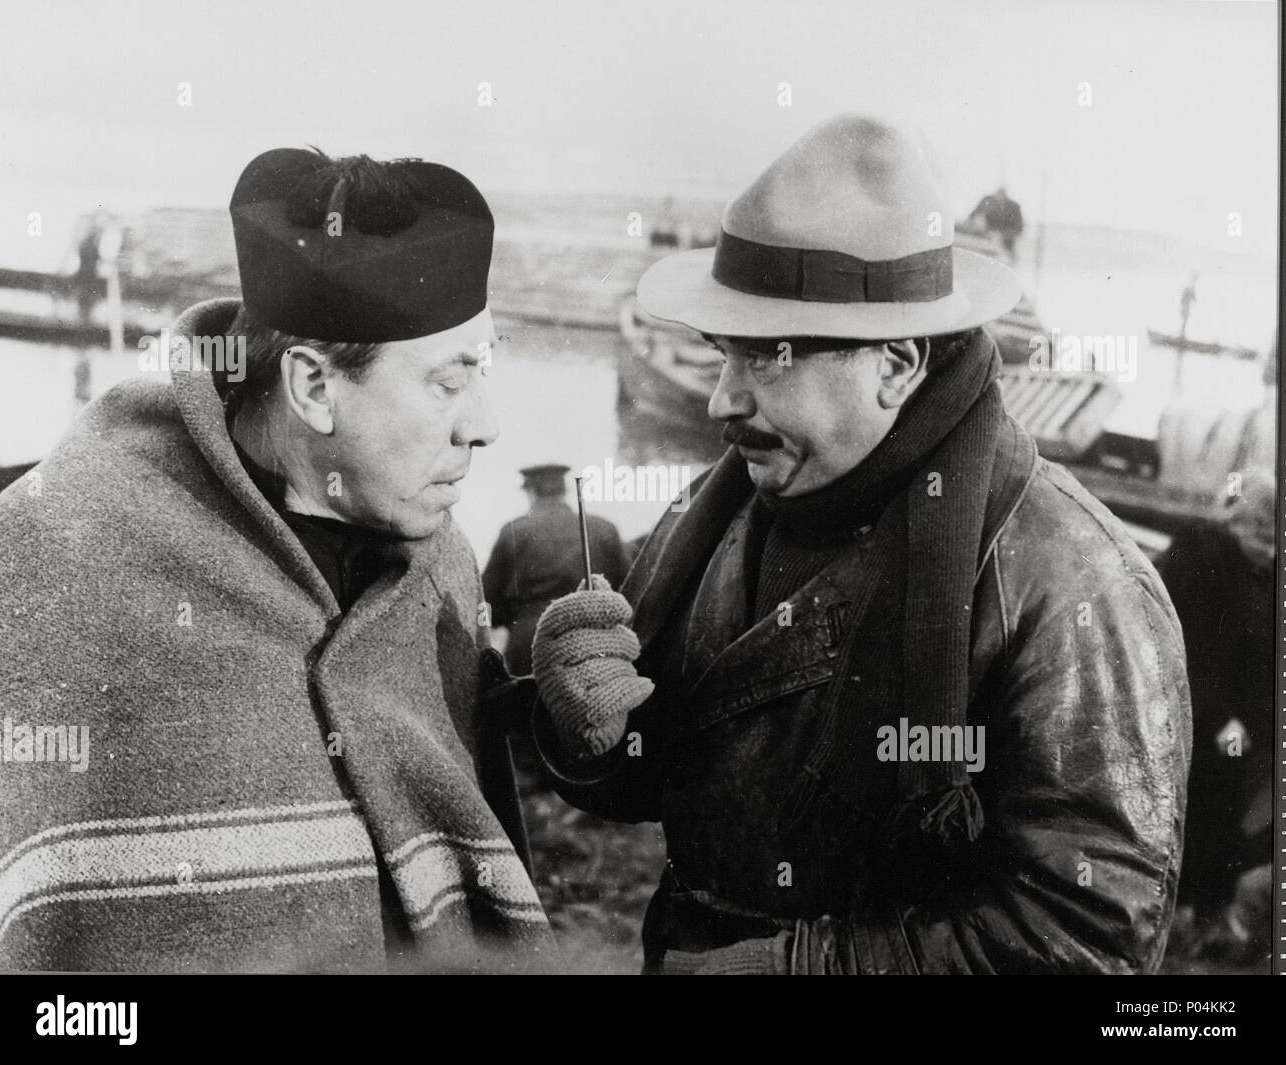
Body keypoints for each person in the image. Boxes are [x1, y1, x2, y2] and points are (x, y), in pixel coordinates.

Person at [528, 114, 1192, 974]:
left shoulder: (1076, 586)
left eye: (768, 355)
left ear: (897, 363)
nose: (719, 400)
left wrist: (797, 969)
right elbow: (665, 778)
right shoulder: (715, 511)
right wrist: (584, 719)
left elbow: (1089, 935)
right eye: (723, 352)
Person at [0, 148, 553, 973]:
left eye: (486, 366)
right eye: (447, 382)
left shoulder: (440, 559)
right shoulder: (55, 553)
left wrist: (549, 710)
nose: (487, 424)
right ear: (314, 388)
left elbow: (454, 779)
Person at [1156, 469, 1273, 952]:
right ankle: (1179, 920)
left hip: (1240, 733)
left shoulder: (1259, 570)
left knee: (1225, 811)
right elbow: (1178, 642)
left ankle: (1207, 920)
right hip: (1197, 722)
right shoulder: (1202, 552)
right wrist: (1217, 717)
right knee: (1196, 810)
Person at [483, 464, 629, 676]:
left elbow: (490, 597)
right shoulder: (603, 527)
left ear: (531, 492)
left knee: (531, 703)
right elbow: (627, 585)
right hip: (592, 636)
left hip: (532, 637)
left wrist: (507, 621)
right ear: (564, 491)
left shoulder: (513, 531)